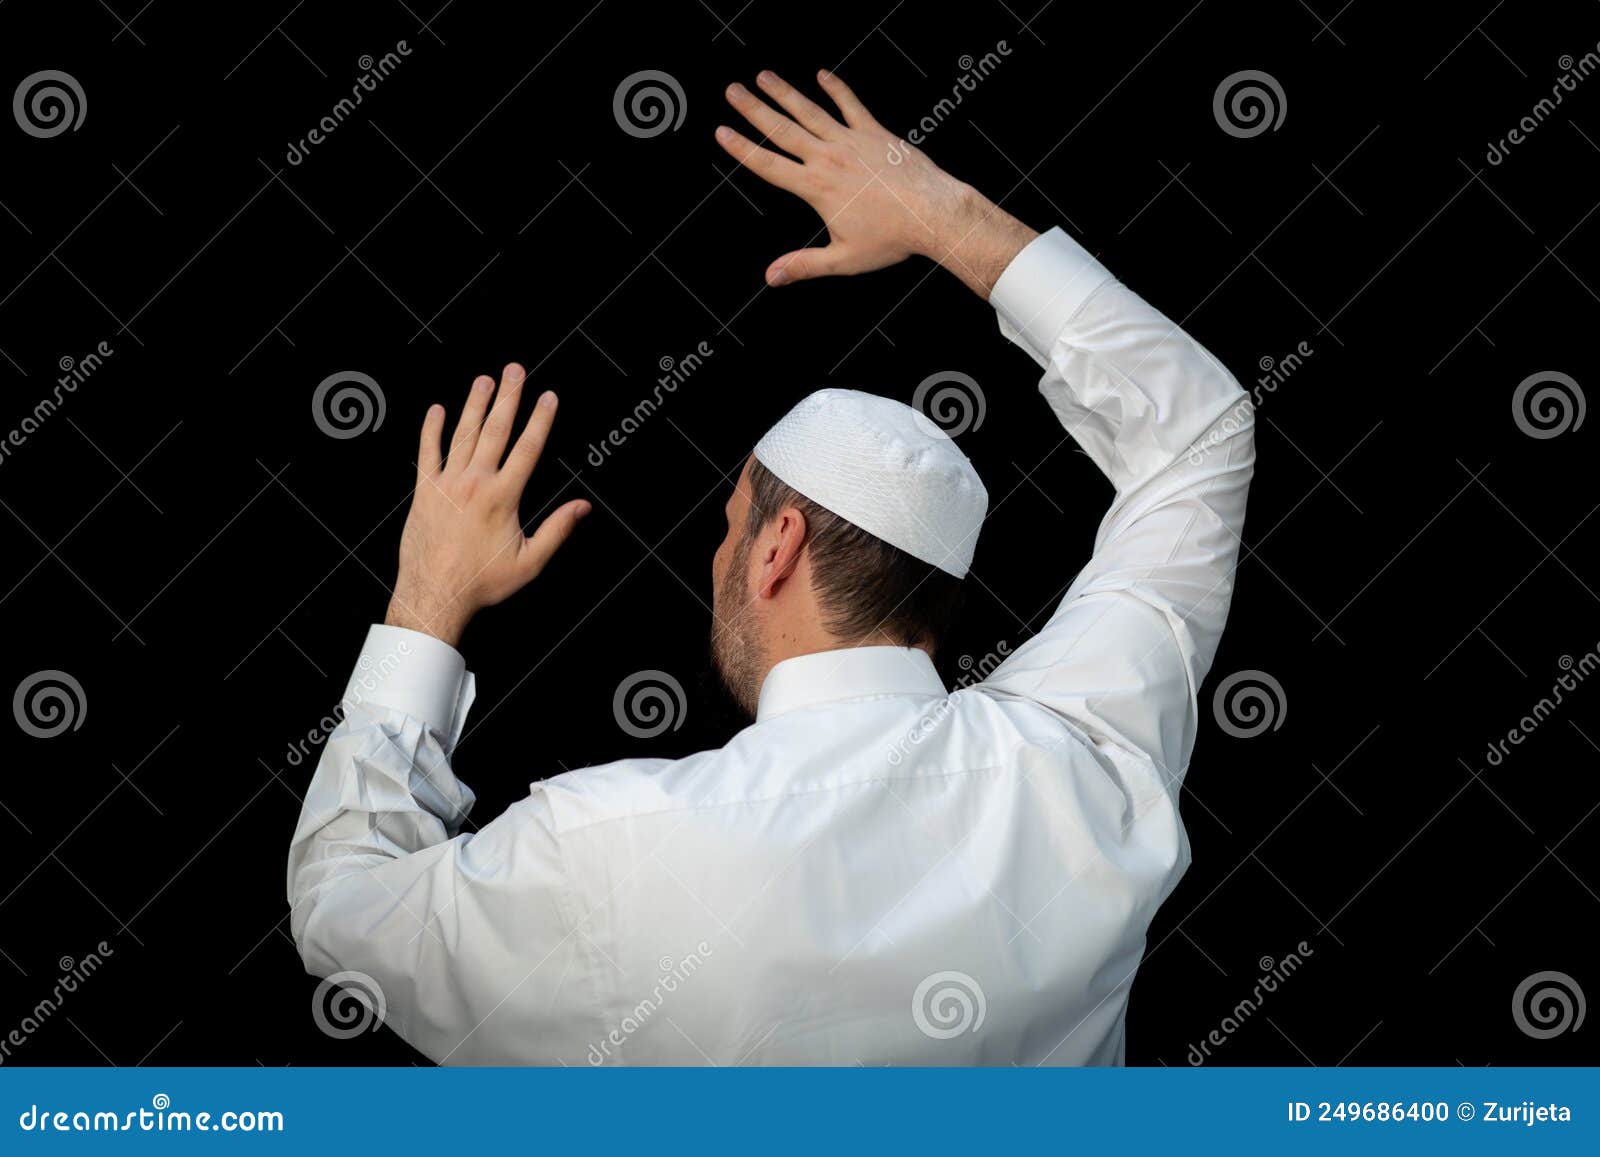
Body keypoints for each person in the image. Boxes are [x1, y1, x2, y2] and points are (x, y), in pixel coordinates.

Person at [287, 68, 1255, 1065]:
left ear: (777, 547)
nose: (714, 558)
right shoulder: (1083, 750)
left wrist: (428, 596)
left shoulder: (606, 847)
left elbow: (343, 909)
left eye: (726, 526)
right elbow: (1200, 437)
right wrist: (941, 213)